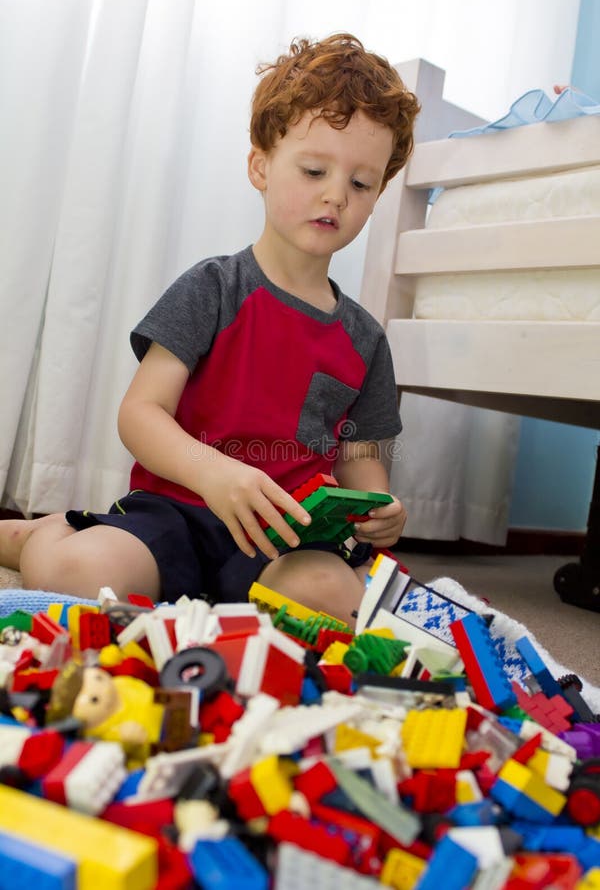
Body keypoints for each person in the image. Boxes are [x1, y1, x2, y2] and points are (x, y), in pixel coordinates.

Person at [0, 34, 420, 623]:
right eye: (314, 169)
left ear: (377, 196)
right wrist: (216, 474)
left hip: (285, 539)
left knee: (337, 600)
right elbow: (140, 413)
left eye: (360, 183)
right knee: (83, 577)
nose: (335, 195)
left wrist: (382, 510)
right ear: (260, 167)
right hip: (175, 511)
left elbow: (364, 458)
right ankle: (40, 535)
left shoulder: (367, 339)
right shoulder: (214, 288)